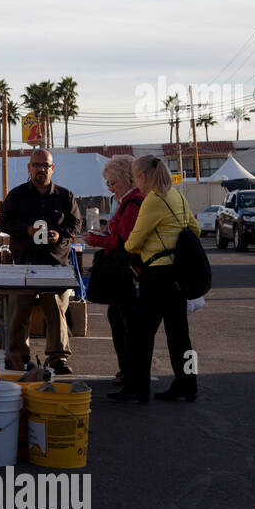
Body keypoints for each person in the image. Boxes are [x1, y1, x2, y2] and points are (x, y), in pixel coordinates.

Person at [110, 154, 201, 403]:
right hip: (178, 276)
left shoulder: (153, 200)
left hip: (157, 275)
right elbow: (196, 229)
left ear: (143, 176)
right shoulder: (177, 195)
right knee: (180, 336)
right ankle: (188, 384)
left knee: (140, 333)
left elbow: (133, 242)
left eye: (136, 176)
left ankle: (138, 388)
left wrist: (139, 244)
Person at [0, 148, 82, 374]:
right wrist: (25, 229)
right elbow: (4, 223)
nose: (40, 169)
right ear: (29, 168)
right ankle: (17, 356)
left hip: (55, 264)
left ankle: (58, 358)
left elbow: (77, 223)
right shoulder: (16, 196)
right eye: (36, 165)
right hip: (24, 264)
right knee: (19, 314)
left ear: (52, 169)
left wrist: (60, 233)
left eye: (45, 165)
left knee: (56, 312)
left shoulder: (65, 196)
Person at [86, 155, 142, 385]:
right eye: (107, 183)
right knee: (120, 319)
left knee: (126, 322)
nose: (110, 188)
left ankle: (131, 374)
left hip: (128, 272)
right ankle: (128, 370)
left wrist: (96, 241)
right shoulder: (127, 200)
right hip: (127, 271)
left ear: (128, 180)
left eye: (112, 182)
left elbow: (125, 242)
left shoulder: (132, 202)